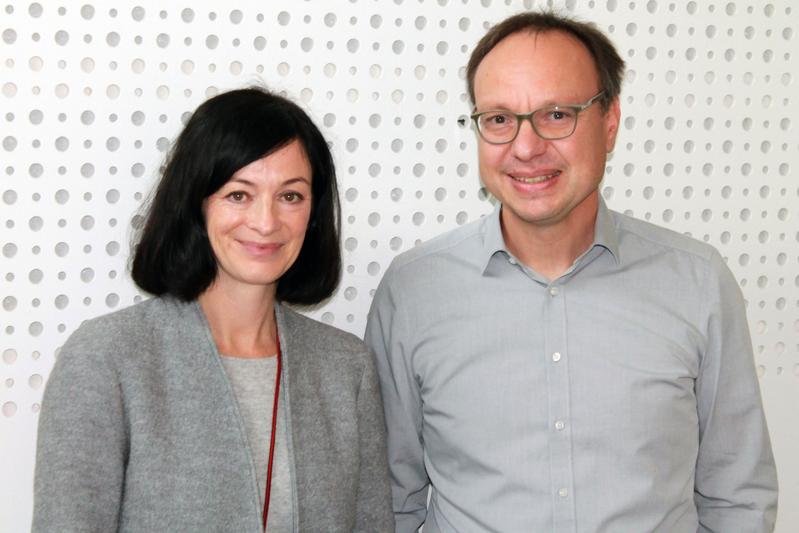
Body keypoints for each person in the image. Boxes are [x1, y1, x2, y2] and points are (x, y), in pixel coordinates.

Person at [365, 11, 778, 532]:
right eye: (498, 118)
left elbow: (737, 498)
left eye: (557, 114)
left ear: (610, 123)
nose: (526, 146)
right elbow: (389, 503)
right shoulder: (413, 293)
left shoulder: (698, 284)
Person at [33, 87, 393, 532]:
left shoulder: (345, 368)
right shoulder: (107, 357)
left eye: (291, 196)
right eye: (239, 194)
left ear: (313, 214)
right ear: (196, 203)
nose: (266, 222)